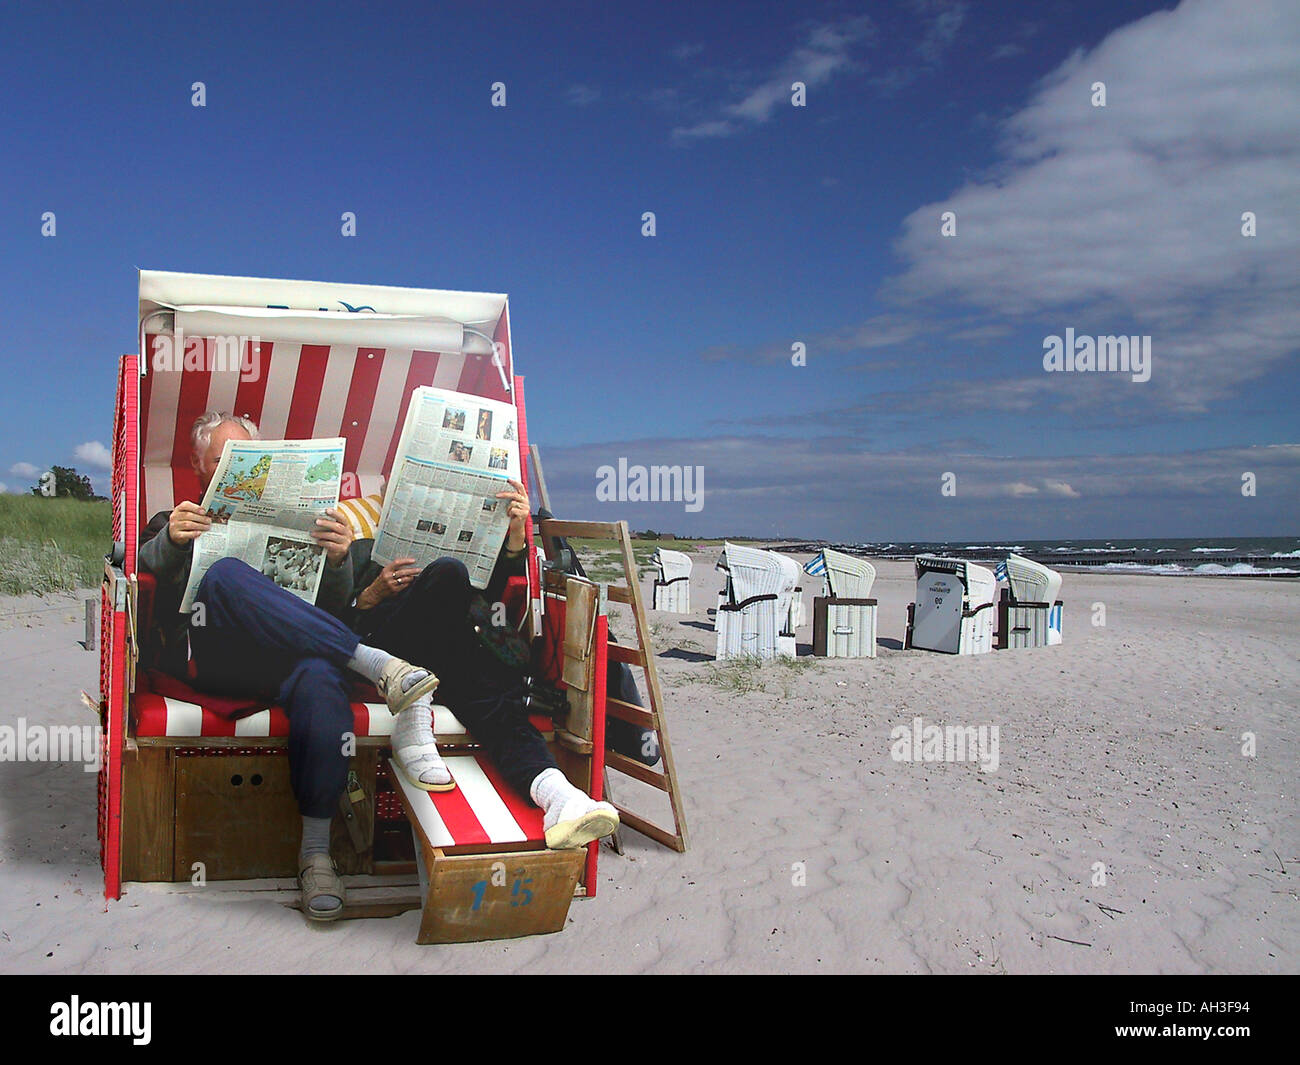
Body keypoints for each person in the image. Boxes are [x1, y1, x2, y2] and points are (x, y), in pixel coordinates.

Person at [139, 411, 440, 922]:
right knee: (227, 574)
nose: (225, 473)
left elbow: (331, 605)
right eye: (218, 462)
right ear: (197, 465)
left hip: (291, 657)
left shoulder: (295, 521)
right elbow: (135, 567)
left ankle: (316, 856)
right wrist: (169, 541)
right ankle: (375, 664)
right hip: (219, 658)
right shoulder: (176, 517)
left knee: (322, 680)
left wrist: (340, 559)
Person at [342, 477, 620, 852]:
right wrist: (373, 594)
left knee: (491, 699)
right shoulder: (361, 550)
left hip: (452, 655)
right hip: (388, 656)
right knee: (449, 573)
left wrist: (517, 533)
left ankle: (558, 797)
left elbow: (491, 597)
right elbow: (338, 630)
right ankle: (416, 708)